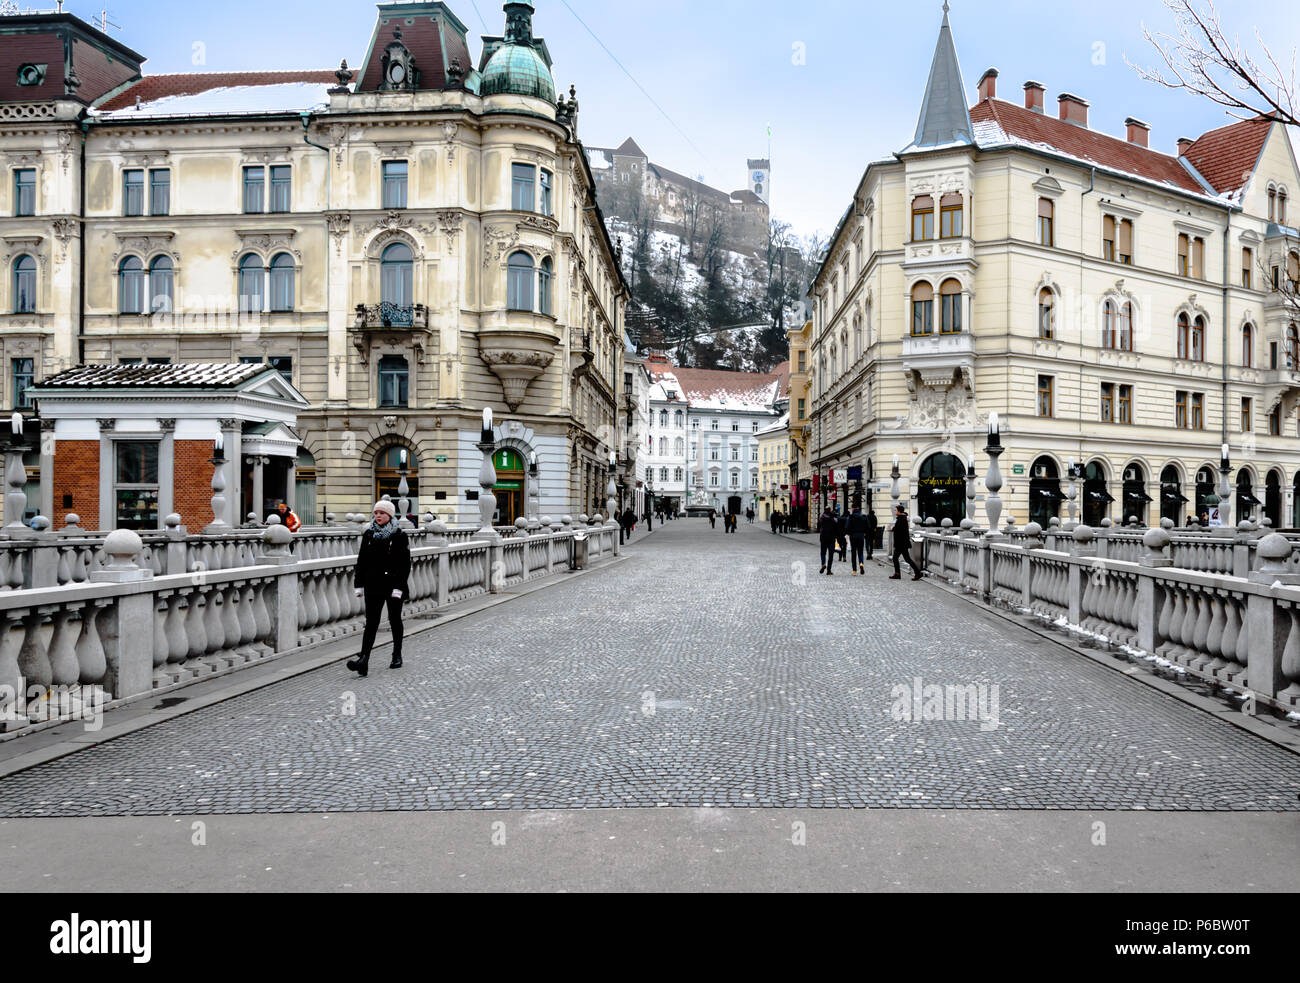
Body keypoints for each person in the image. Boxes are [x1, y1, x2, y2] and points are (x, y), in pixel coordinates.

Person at [347, 500, 411, 677]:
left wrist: (399, 588)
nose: (378, 516)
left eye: (382, 513)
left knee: (394, 619)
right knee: (371, 623)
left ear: (390, 515)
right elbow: (361, 561)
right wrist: (358, 584)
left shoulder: (399, 535)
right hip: (373, 584)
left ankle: (396, 654)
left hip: (392, 586)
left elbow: (404, 564)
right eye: (376, 513)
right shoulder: (368, 534)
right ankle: (364, 660)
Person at [889, 504, 922, 581]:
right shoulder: (902, 518)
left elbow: (899, 530)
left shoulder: (901, 519)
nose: (895, 511)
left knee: (896, 558)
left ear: (899, 511)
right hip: (902, 543)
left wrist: (893, 528)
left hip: (901, 544)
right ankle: (917, 573)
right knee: (906, 559)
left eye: (895, 510)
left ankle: (899, 574)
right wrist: (894, 528)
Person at [848, 505, 869, 575]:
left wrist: (849, 533)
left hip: (853, 536)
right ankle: (861, 563)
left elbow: (847, 527)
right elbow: (868, 526)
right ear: (859, 509)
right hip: (861, 536)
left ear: (853, 509)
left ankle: (854, 571)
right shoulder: (864, 517)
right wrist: (865, 533)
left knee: (853, 553)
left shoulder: (851, 517)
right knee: (860, 552)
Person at [818, 507, 839, 575]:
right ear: (830, 511)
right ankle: (829, 570)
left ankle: (823, 564)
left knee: (823, 553)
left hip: (823, 537)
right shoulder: (833, 519)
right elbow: (836, 528)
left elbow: (819, 526)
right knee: (830, 555)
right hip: (831, 538)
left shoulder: (822, 518)